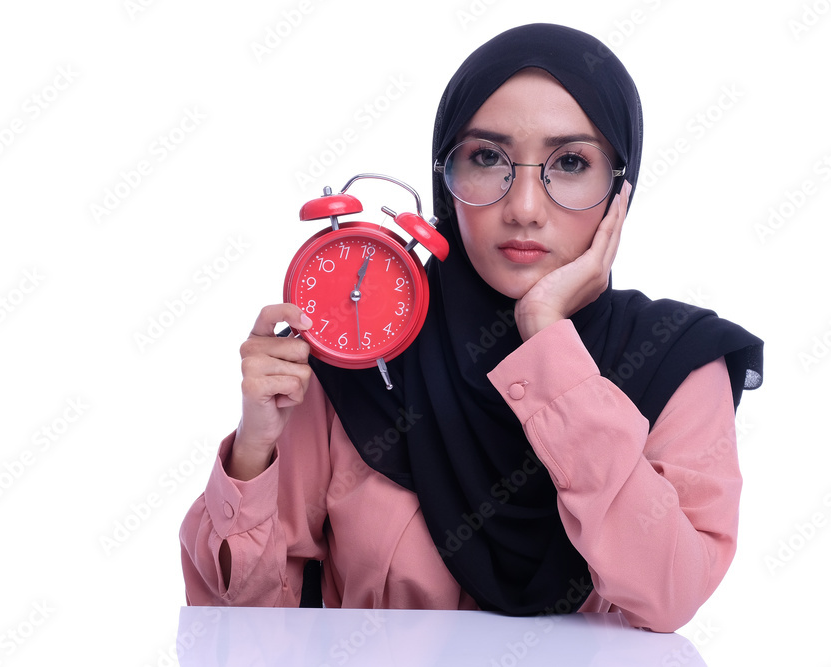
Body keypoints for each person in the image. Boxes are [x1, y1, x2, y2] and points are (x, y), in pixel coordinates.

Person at [180, 23, 763, 633]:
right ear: (444, 178)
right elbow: (233, 632)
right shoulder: (362, 347)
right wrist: (255, 449)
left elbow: (669, 593)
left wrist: (547, 345)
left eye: (569, 163)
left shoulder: (676, 360)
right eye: (487, 158)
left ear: (621, 188)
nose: (526, 207)